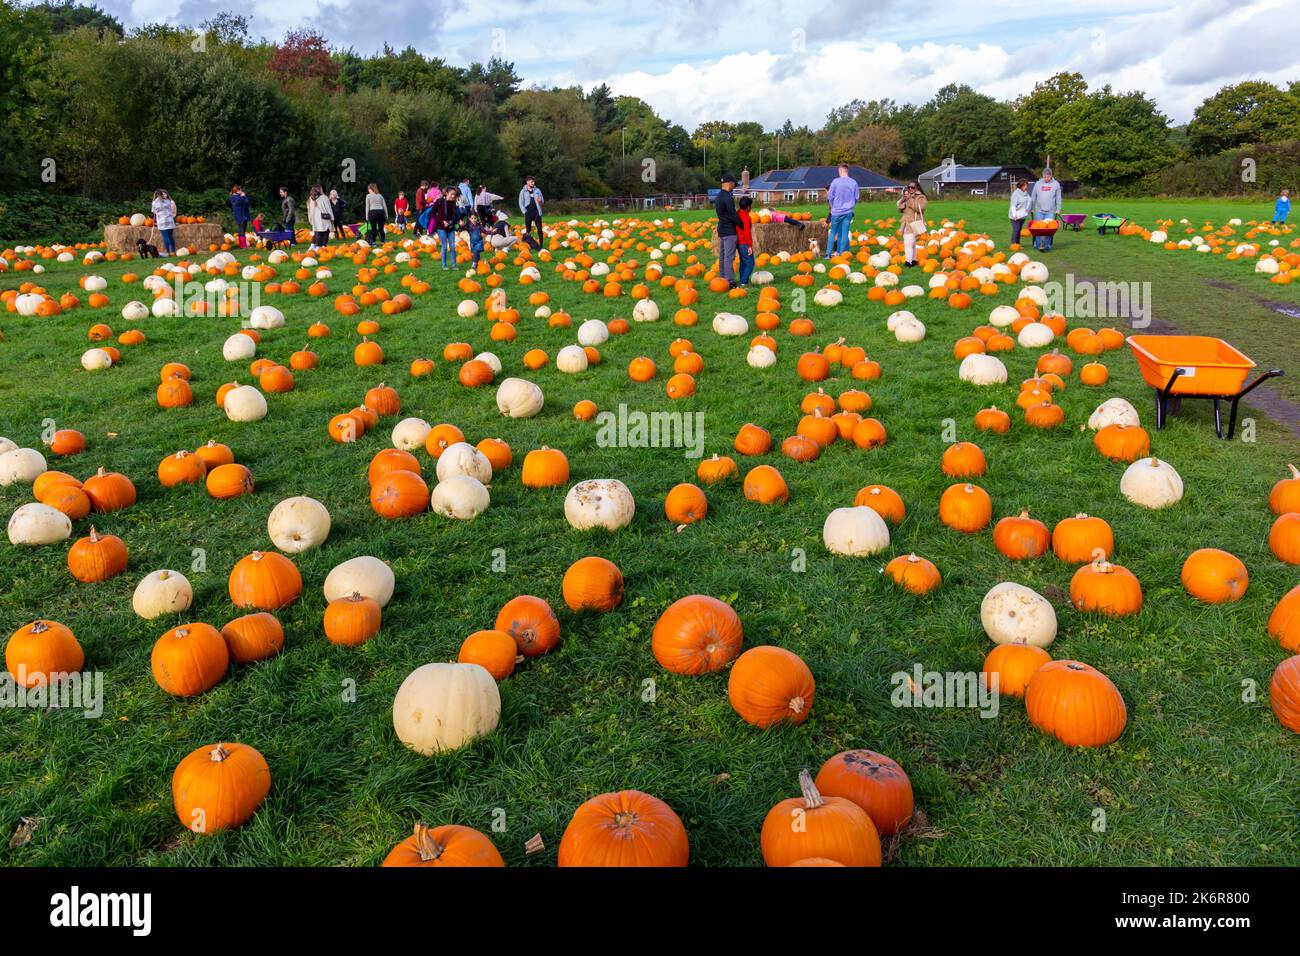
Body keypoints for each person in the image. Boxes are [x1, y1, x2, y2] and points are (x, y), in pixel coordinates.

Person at [714, 172, 743, 287]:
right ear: (729, 183)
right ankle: (730, 280)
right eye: (733, 185)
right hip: (729, 230)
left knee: (723, 255)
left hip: (722, 228)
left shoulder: (719, 196)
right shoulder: (728, 197)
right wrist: (742, 225)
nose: (733, 187)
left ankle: (722, 277)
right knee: (729, 256)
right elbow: (733, 215)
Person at [825, 163, 857, 258]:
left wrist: (832, 207)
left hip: (836, 212)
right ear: (847, 171)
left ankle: (827, 254)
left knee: (833, 233)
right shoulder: (854, 182)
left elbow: (830, 196)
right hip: (848, 212)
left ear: (840, 171)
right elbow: (856, 198)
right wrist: (851, 206)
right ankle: (841, 254)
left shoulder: (835, 182)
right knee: (844, 233)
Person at [1029, 167, 1063, 251]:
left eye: (1047, 177)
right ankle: (1038, 244)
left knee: (1049, 230)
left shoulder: (1056, 184)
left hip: (1050, 211)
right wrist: (1032, 208)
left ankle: (1046, 245)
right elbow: (1033, 197)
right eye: (1044, 177)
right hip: (1039, 210)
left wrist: (1058, 209)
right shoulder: (1038, 184)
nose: (1046, 178)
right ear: (1042, 176)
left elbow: (1058, 198)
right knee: (1037, 229)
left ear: (1051, 176)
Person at [896, 181, 927, 267]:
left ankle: (908, 261)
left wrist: (910, 199)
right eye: (909, 187)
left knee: (908, 243)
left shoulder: (921, 197)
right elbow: (899, 209)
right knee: (912, 243)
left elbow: (918, 208)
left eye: (912, 187)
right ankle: (913, 260)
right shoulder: (907, 196)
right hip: (906, 222)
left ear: (917, 187)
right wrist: (903, 199)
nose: (910, 189)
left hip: (915, 222)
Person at [429, 189, 457, 269]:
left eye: (454, 194)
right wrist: (441, 221)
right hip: (441, 228)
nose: (453, 196)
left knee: (452, 246)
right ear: (447, 193)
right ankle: (444, 266)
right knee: (444, 246)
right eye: (451, 194)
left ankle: (454, 265)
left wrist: (458, 224)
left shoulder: (453, 203)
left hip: (451, 227)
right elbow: (432, 213)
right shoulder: (439, 201)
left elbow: (455, 216)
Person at [736, 195, 756, 287]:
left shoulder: (738, 213)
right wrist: (750, 246)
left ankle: (742, 280)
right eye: (750, 206)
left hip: (738, 242)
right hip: (744, 243)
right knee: (750, 263)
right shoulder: (746, 217)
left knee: (743, 262)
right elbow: (747, 232)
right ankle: (744, 282)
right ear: (748, 207)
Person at [519, 176, 544, 246]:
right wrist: (524, 212)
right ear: (527, 182)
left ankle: (541, 244)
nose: (533, 183)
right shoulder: (523, 191)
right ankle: (527, 244)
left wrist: (540, 201)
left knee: (539, 229)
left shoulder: (537, 190)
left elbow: (542, 200)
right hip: (528, 212)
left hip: (537, 212)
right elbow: (520, 203)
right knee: (528, 230)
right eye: (531, 182)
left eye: (534, 182)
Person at [151, 189, 177, 256]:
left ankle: (167, 252)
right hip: (170, 221)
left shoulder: (154, 203)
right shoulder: (168, 201)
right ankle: (173, 251)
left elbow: (154, 212)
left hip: (162, 222)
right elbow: (170, 209)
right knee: (170, 236)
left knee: (165, 237)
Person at [1008, 179, 1031, 247]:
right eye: (1024, 185)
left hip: (1022, 215)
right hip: (1015, 216)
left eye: (1026, 185)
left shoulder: (1026, 193)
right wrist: (1014, 215)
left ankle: (1018, 244)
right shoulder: (1016, 194)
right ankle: (1013, 245)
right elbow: (1013, 205)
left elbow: (1029, 201)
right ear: (1021, 186)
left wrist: (1030, 209)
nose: (1026, 187)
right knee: (1016, 230)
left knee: (1019, 230)